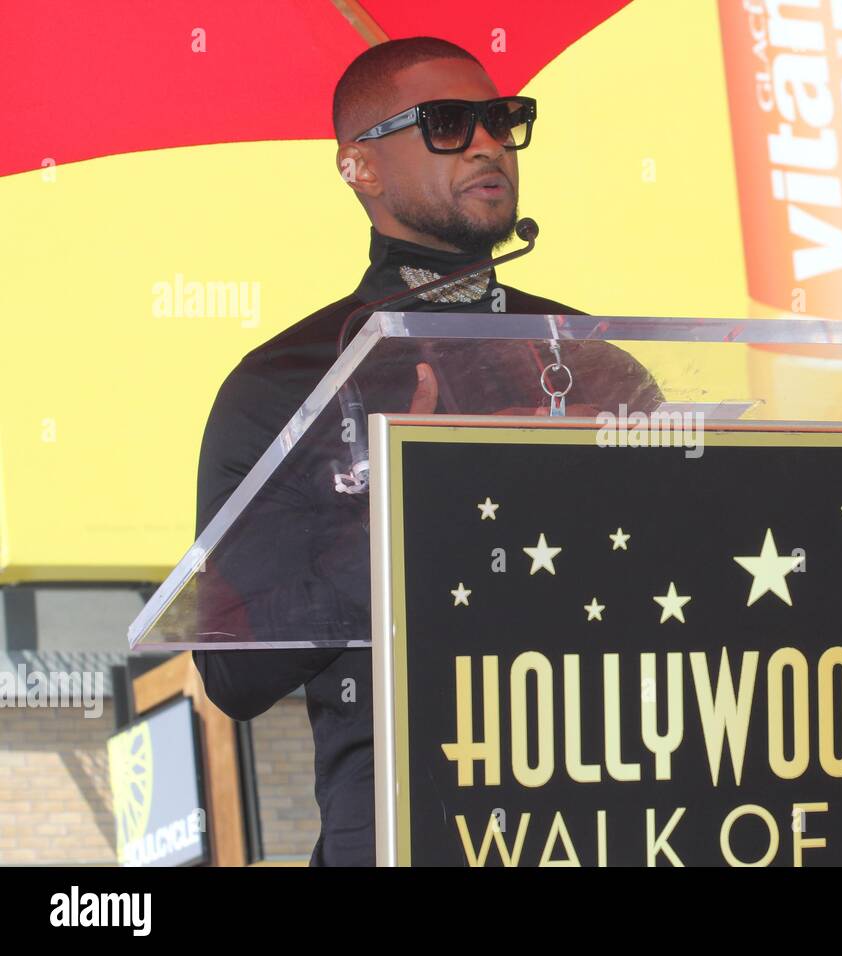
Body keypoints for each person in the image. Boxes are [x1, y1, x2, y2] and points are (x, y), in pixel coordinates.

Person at [191, 37, 661, 866]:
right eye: (447, 123)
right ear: (358, 169)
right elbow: (233, 676)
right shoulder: (285, 384)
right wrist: (393, 515)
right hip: (410, 829)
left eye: (502, 121)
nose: (488, 144)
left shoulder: (589, 358)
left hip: (615, 813)